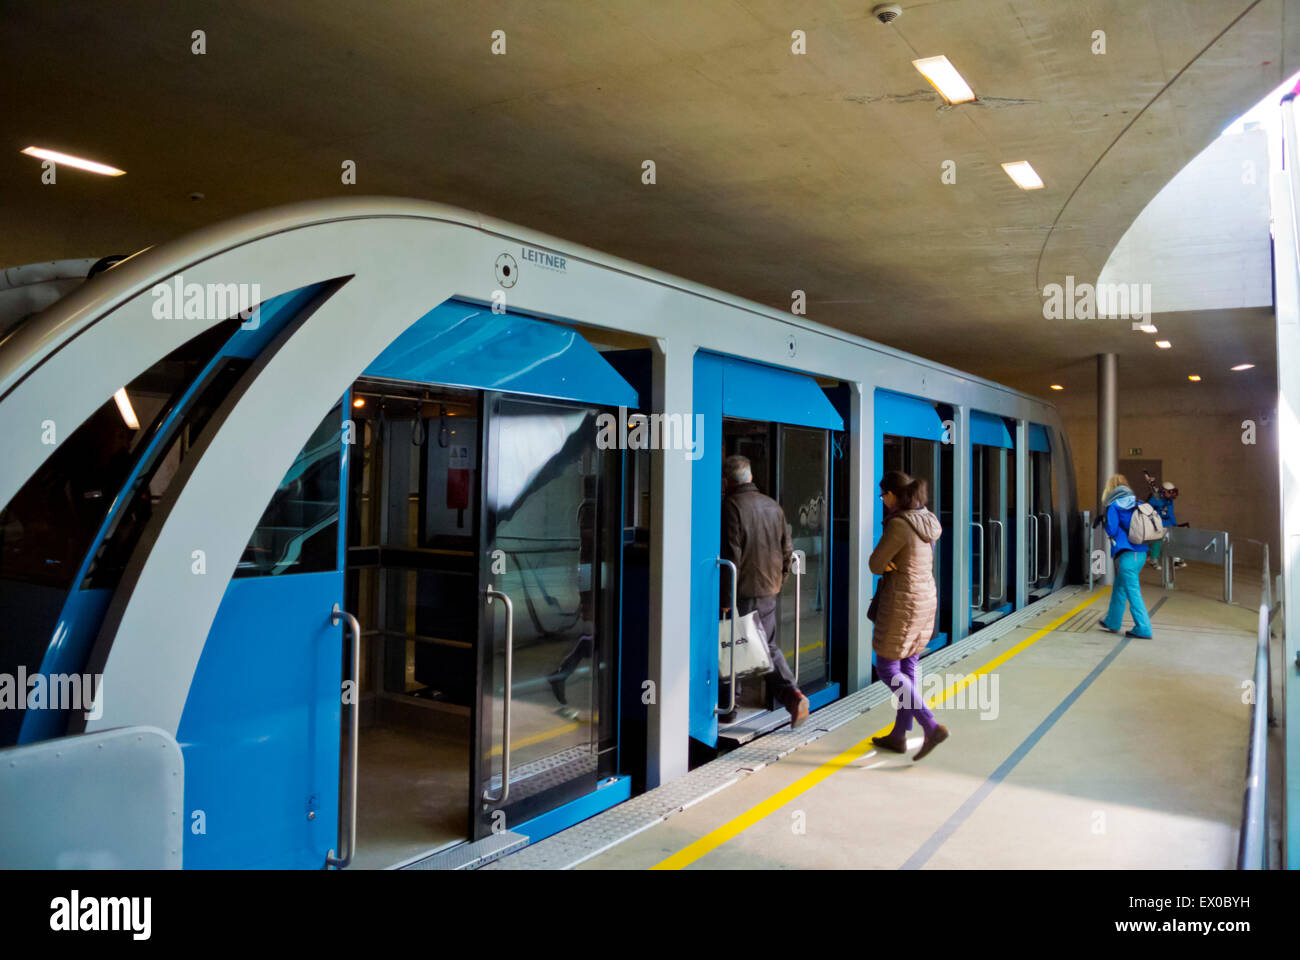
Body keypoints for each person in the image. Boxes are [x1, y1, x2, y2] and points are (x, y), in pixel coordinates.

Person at [718, 454, 810, 729]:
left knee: (734, 645)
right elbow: (787, 550)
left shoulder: (731, 506)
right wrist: (778, 580)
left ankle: (729, 707)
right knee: (763, 644)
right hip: (768, 587)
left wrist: (725, 597)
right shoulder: (773, 506)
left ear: (726, 481)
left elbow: (731, 555)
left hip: (743, 588)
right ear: (751, 478)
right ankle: (792, 696)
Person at [868, 470, 948, 761]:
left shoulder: (900, 525)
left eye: (883, 495)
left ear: (894, 495)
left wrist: (889, 566)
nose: (882, 500)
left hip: (903, 602)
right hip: (925, 600)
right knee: (908, 664)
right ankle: (899, 735)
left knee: (888, 668)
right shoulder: (927, 519)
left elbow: (876, 564)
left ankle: (930, 725)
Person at [1099, 473, 1153, 639]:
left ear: (1111, 488)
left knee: (1132, 591)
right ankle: (1112, 621)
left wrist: (1104, 521)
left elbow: (1112, 530)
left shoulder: (1114, 505)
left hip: (1128, 555)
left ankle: (1144, 627)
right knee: (1120, 588)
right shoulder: (1137, 502)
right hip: (1141, 553)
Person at [1146, 480, 1177, 569]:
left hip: (1168, 523)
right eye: (1169, 492)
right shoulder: (1154, 499)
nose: (1172, 494)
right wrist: (1156, 503)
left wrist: (1174, 524)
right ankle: (1153, 560)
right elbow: (1148, 509)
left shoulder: (1169, 501)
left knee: (1173, 539)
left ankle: (1176, 560)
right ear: (1164, 491)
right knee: (1157, 541)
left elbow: (1171, 513)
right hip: (1157, 523)